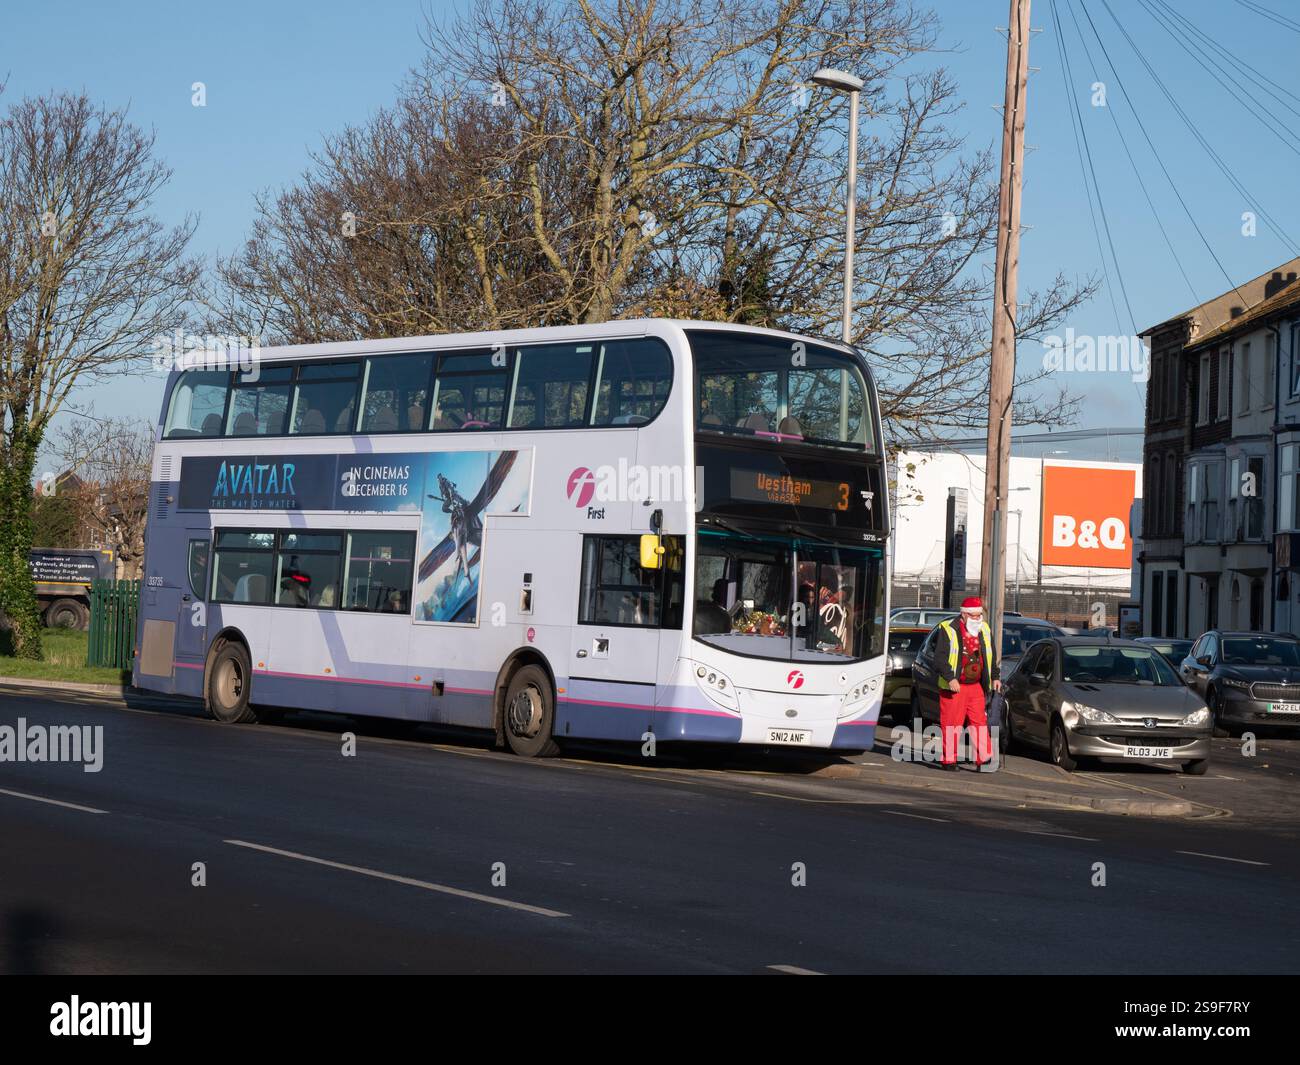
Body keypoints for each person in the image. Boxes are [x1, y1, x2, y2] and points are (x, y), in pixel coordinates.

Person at [933, 596, 1000, 772]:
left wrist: (995, 676)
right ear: (963, 614)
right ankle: (948, 760)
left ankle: (984, 758)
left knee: (979, 721)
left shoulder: (984, 629)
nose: (978, 619)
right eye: (974, 615)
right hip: (955, 686)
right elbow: (939, 658)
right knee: (952, 723)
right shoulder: (948, 629)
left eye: (979, 615)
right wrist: (950, 678)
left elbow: (990, 655)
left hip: (975, 685)